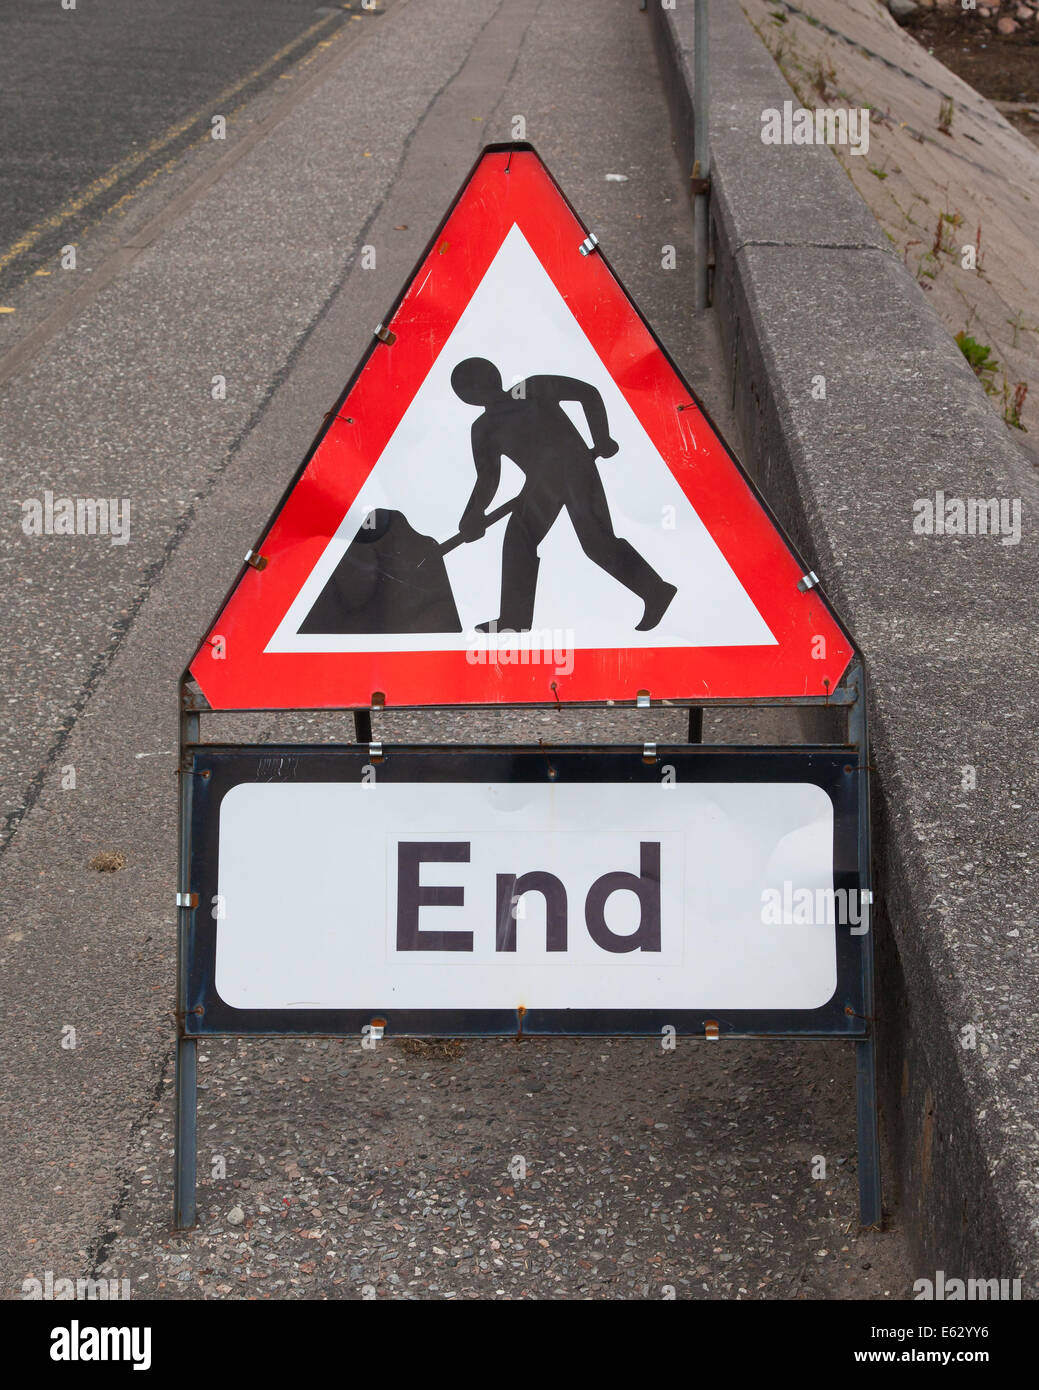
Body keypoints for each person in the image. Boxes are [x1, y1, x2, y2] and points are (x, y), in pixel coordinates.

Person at [451, 357, 677, 632]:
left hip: (575, 468)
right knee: (518, 541)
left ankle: (656, 591)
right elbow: (488, 478)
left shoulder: (532, 388)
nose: (476, 391)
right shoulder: (484, 428)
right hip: (542, 483)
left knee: (596, 541)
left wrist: (601, 438)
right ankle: (514, 619)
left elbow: (587, 393)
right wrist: (473, 514)